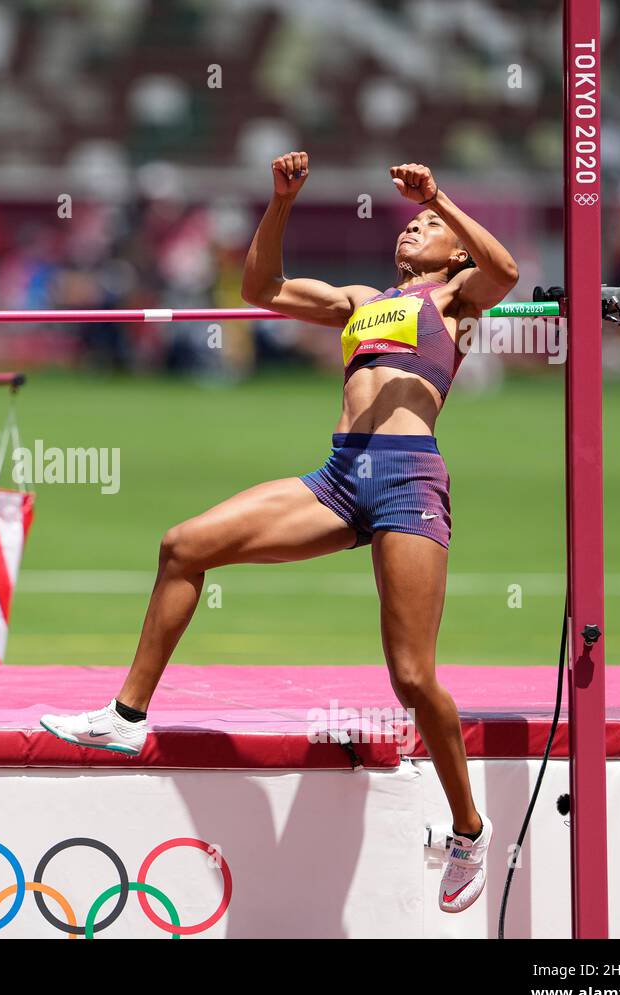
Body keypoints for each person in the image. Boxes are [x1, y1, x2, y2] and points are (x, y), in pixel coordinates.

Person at [40, 153, 519, 914]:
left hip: (407, 478)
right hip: (338, 477)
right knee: (183, 545)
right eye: (411, 222)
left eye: (425, 228)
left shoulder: (462, 296)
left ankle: (468, 826)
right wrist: (281, 201)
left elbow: (507, 268)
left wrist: (442, 198)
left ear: (452, 249)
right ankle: (125, 718)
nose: (412, 232)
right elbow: (259, 289)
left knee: (412, 678)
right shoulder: (364, 299)